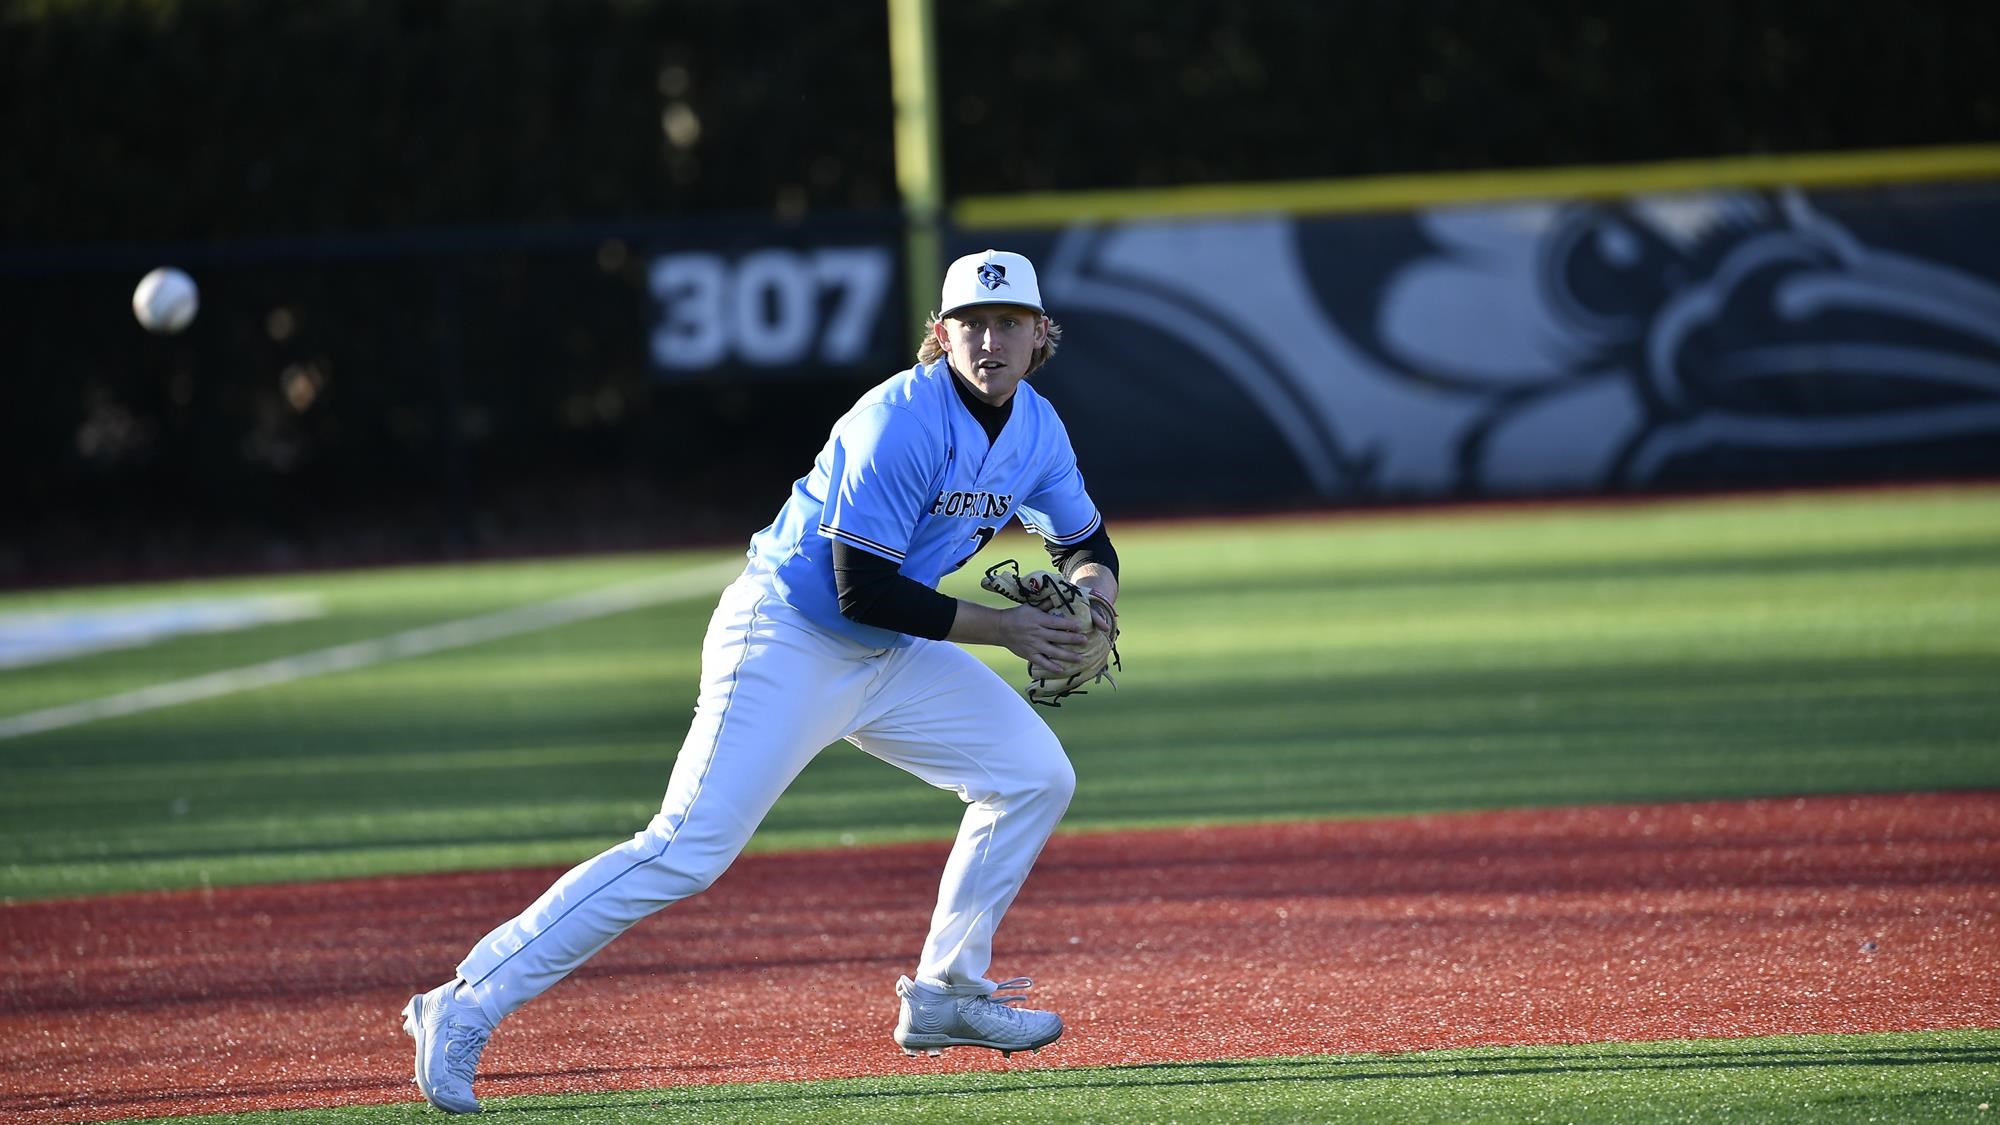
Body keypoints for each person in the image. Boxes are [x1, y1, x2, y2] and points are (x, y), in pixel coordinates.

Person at [402, 249, 1121, 1113]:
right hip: (786, 637)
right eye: (970, 322)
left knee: (1034, 775)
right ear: (940, 334)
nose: (988, 339)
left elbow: (1084, 541)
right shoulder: (898, 417)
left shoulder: (1037, 428)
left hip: (888, 651)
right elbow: (864, 586)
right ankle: (465, 999)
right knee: (685, 849)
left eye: (1008, 323)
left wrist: (1091, 606)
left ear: (1042, 335)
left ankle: (945, 993)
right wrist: (1010, 628)